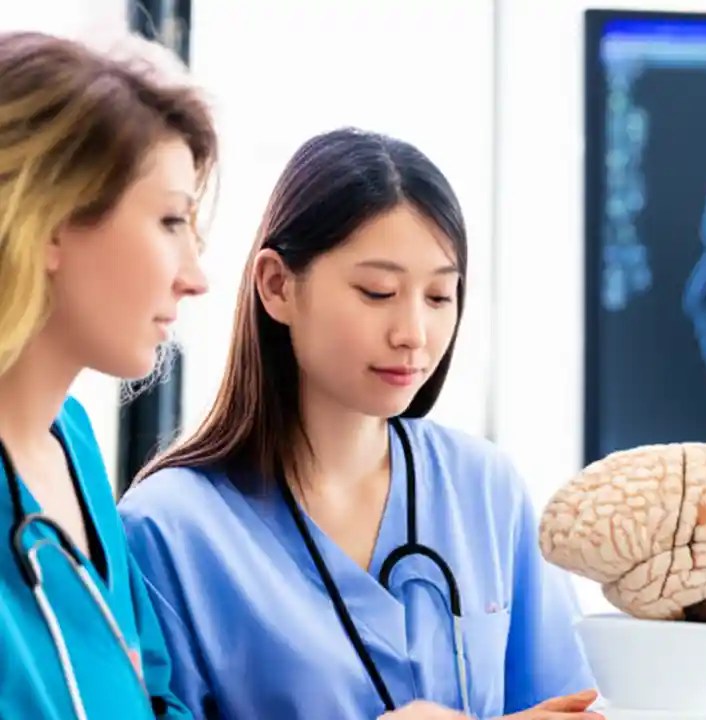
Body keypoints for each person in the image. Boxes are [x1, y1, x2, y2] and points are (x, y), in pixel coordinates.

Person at [116, 127, 599, 720]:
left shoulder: (485, 489)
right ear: (277, 286)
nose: (414, 334)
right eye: (378, 292)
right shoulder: (168, 529)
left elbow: (571, 705)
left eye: (440, 297)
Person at [0, 29, 216, 720]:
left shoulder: (74, 441)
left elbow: (154, 698)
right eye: (169, 221)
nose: (195, 277)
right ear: (53, 220)